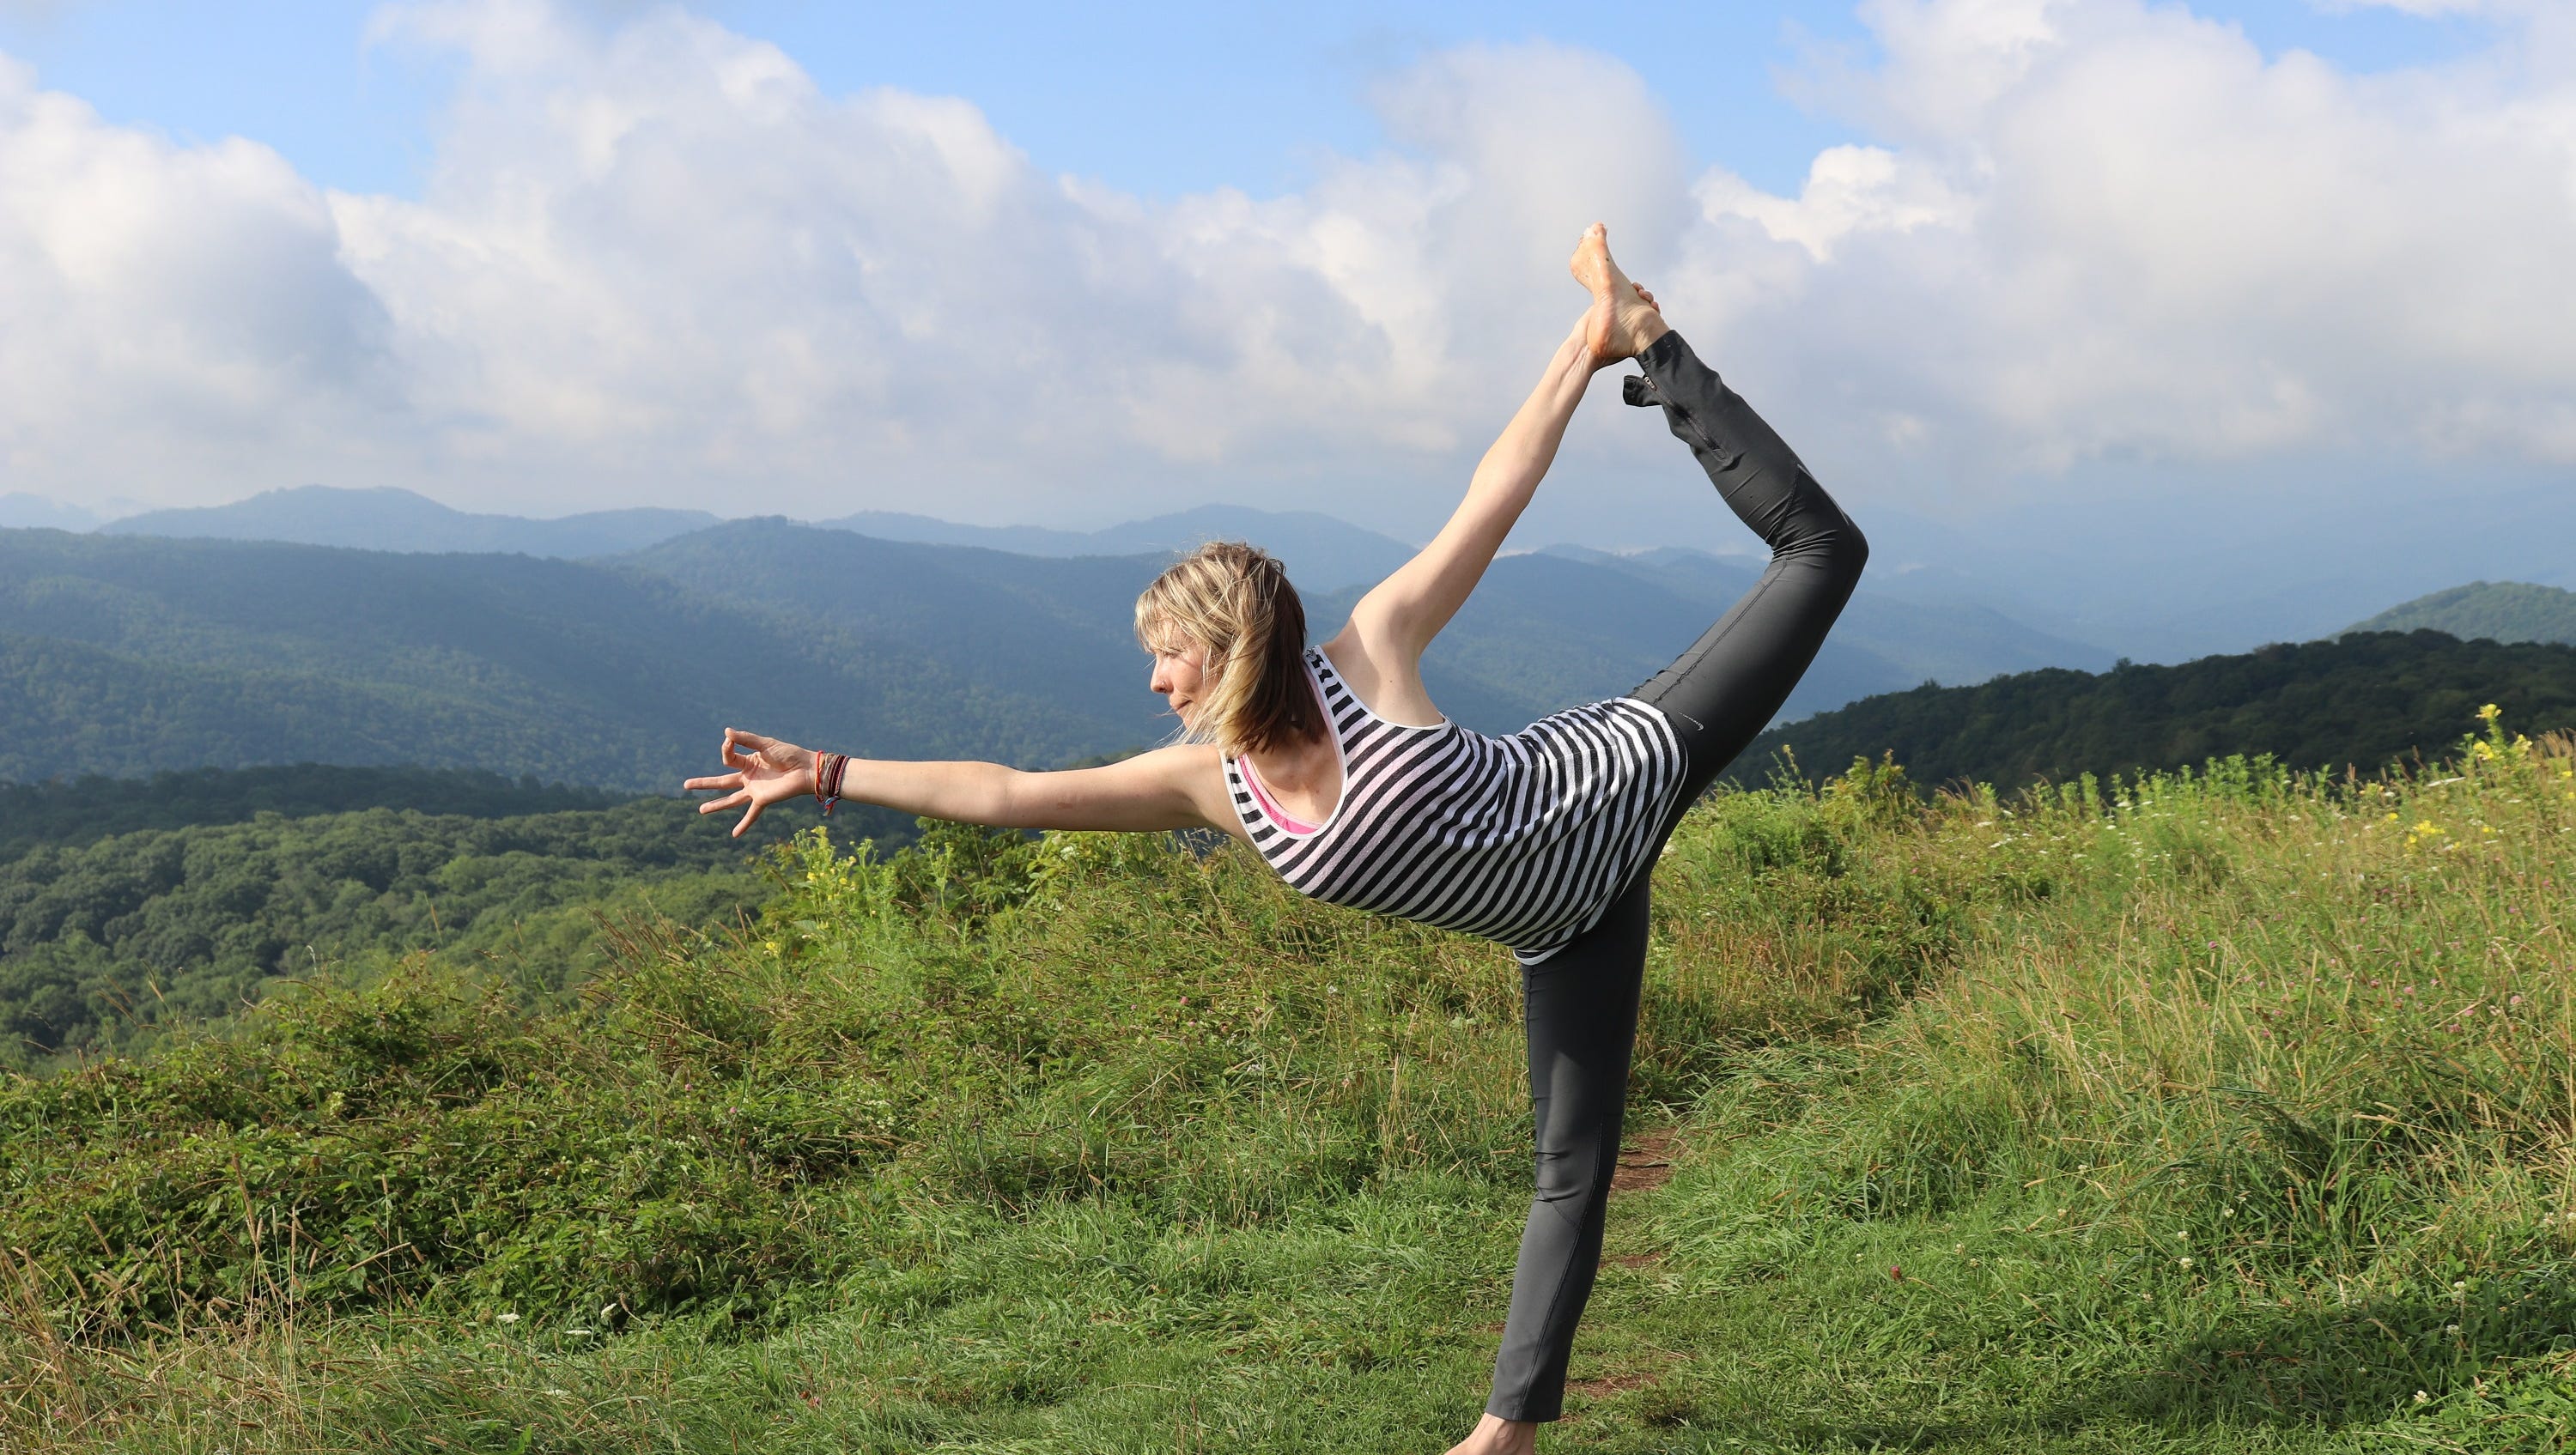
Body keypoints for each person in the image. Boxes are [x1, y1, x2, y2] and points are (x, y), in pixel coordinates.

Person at [686, 222, 1867, 1454]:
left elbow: (1498, 490)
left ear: (1227, 644)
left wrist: (1592, 347)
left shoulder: (1372, 650)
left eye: (1168, 655)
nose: (1155, 682)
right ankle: (1503, 1437)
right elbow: (1006, 791)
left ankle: (1654, 340)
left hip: (1624, 774)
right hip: (1570, 921)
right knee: (1570, 1167)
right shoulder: (1211, 787)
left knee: (1825, 553)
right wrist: (826, 774)